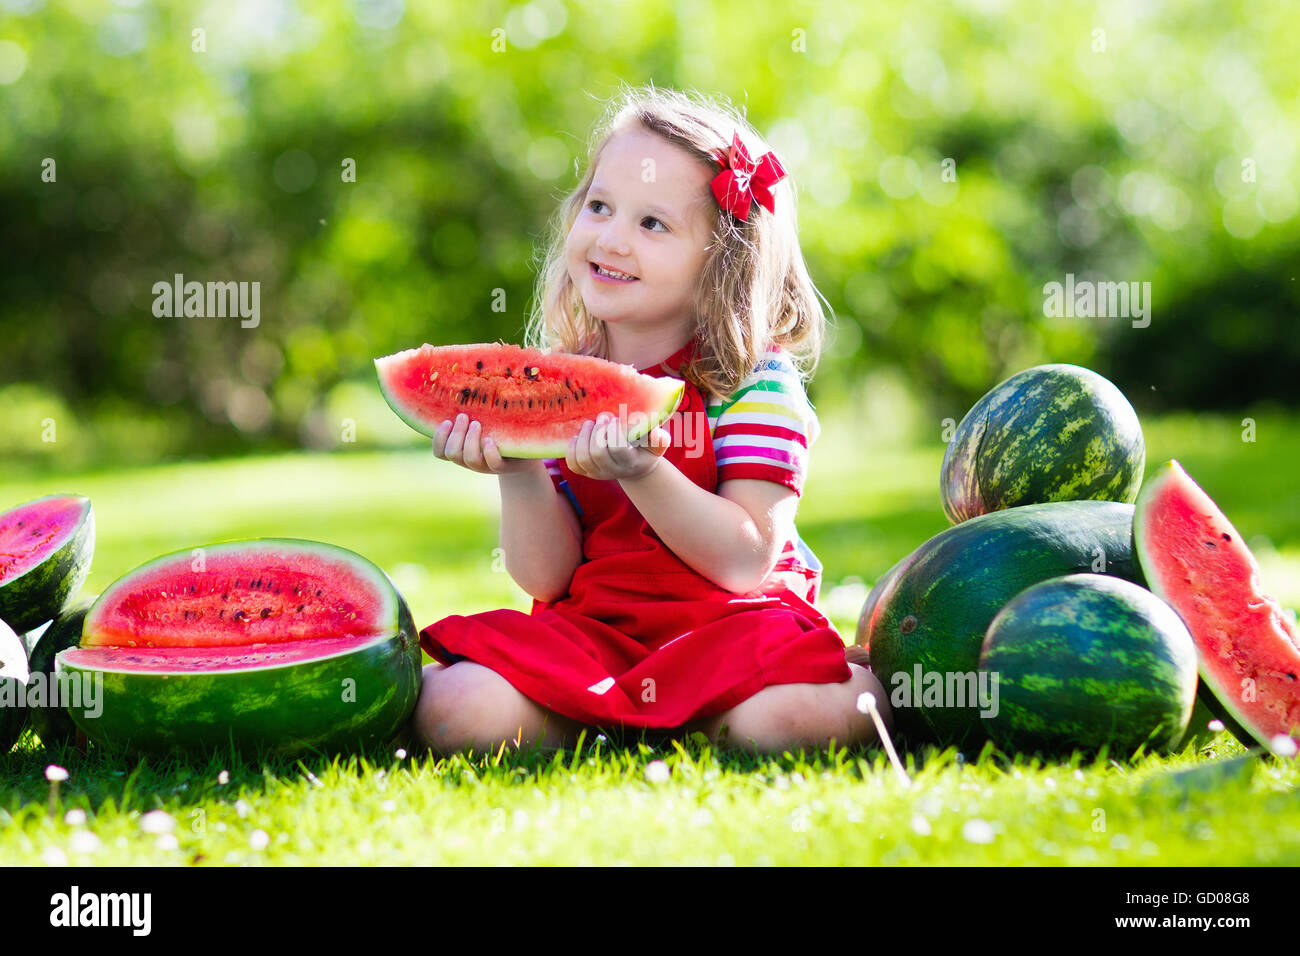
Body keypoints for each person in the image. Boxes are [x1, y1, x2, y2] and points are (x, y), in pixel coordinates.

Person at [412, 84, 889, 754]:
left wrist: (644, 472)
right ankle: (634, 717)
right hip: (597, 630)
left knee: (773, 725)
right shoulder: (563, 377)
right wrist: (518, 469)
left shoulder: (752, 381)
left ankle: (646, 719)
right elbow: (548, 577)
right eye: (600, 206)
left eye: (652, 224)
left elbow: (745, 558)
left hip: (732, 628)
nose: (610, 238)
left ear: (722, 263)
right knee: (451, 707)